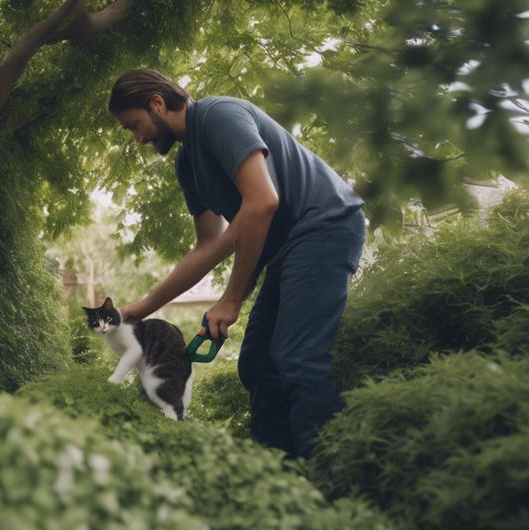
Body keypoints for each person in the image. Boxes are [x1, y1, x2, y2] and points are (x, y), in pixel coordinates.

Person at [110, 68, 366, 459]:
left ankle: (330, 477)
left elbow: (262, 202)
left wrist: (232, 299)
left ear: (157, 103)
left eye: (135, 124)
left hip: (325, 226)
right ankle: (276, 475)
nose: (137, 137)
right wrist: (139, 310)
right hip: (285, 250)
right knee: (258, 365)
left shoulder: (219, 116)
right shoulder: (187, 165)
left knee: (297, 358)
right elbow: (209, 246)